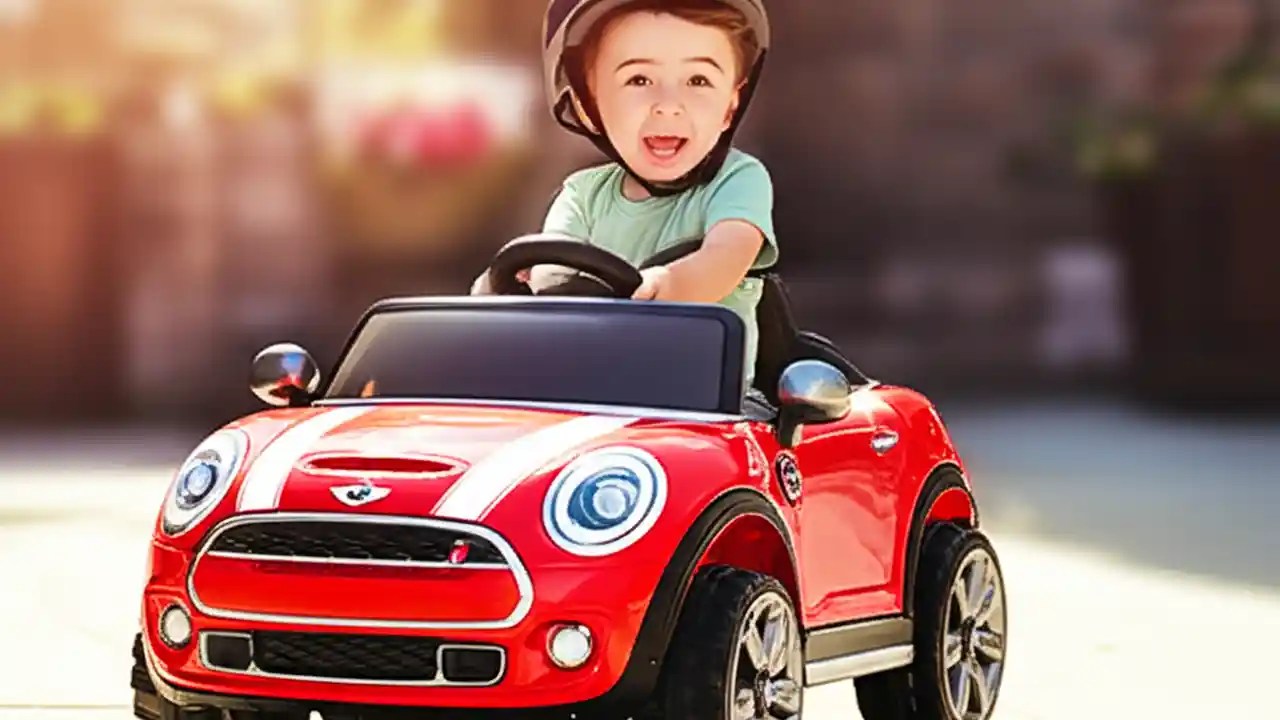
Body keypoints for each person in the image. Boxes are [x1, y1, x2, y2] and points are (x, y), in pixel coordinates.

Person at [475, 0, 774, 388]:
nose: (668, 106)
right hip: (589, 390)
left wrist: (672, 285)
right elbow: (553, 274)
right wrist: (512, 286)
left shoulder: (738, 179)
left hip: (704, 398)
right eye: (639, 80)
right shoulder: (582, 194)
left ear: (731, 105)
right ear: (589, 102)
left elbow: (728, 255)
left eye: (698, 81)